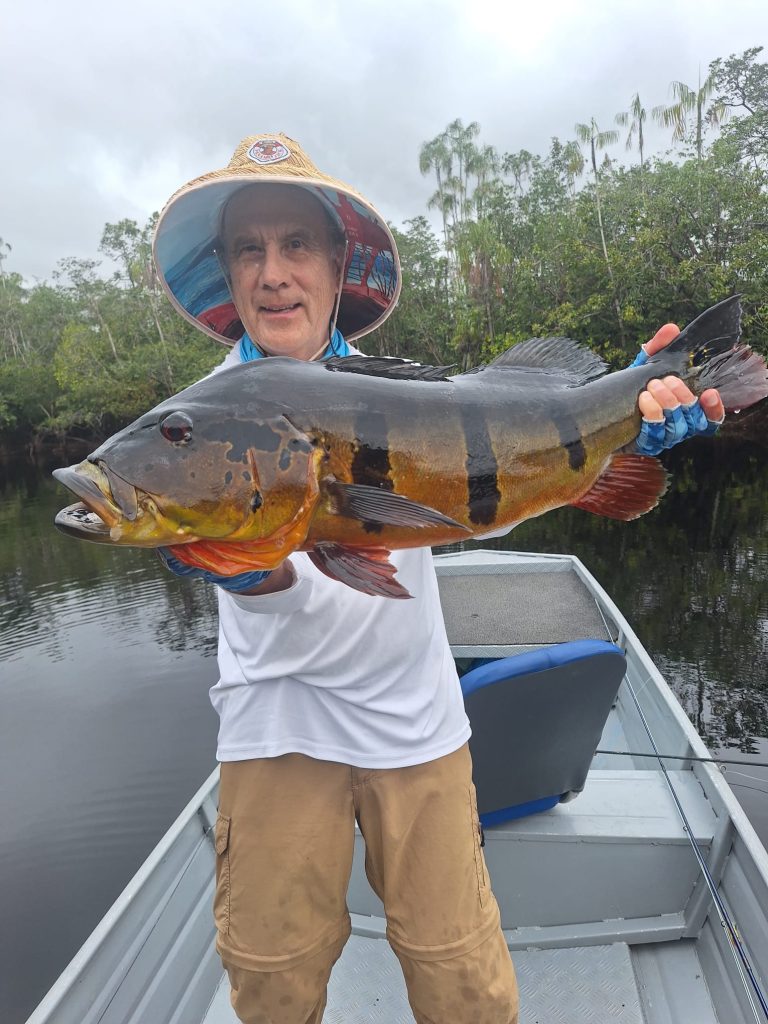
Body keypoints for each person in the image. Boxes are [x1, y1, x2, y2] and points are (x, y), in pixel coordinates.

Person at [151, 133, 724, 1024]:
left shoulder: (412, 395)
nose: (273, 273)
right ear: (225, 275)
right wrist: (234, 567)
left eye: (297, 245)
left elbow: (501, 468)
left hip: (414, 723)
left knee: (462, 977)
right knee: (271, 975)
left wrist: (631, 417)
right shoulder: (194, 423)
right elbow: (287, 583)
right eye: (249, 250)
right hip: (274, 728)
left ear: (339, 266)